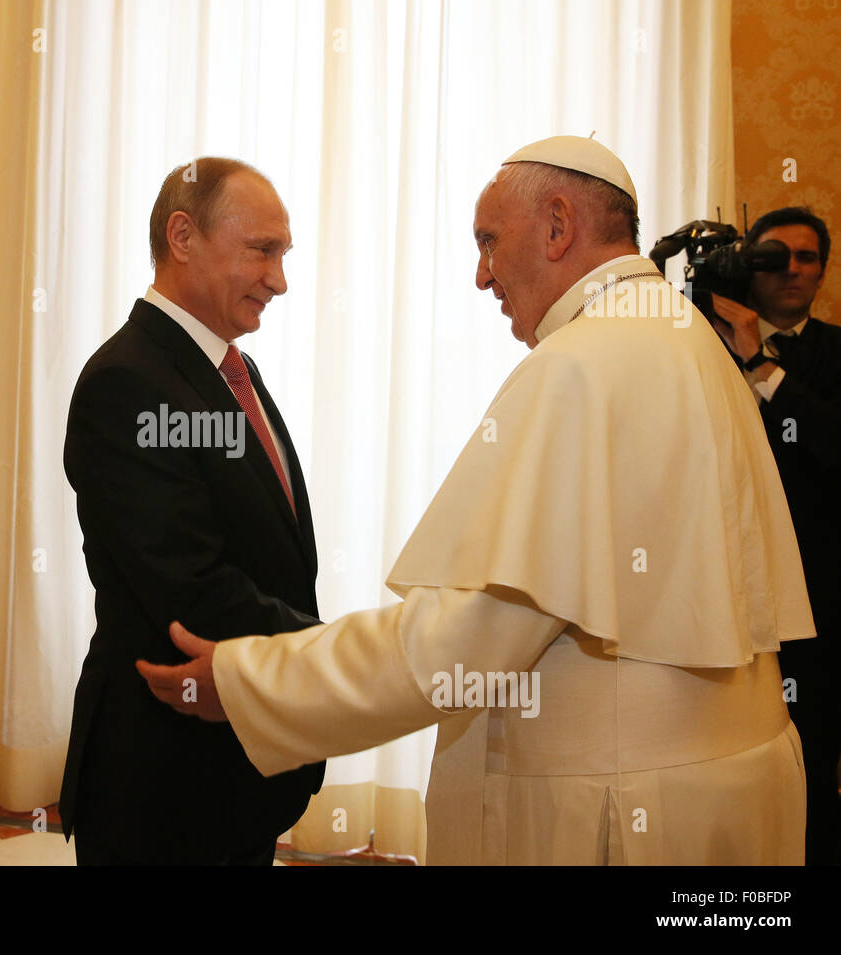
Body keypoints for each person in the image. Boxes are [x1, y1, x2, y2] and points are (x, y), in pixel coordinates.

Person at [137, 136, 815, 865]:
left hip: (619, 808)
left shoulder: (581, 365)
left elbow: (463, 637)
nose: (481, 274)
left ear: (558, 225)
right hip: (732, 788)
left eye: (489, 241)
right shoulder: (692, 337)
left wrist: (249, 683)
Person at [59, 157, 325, 864]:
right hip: (166, 780)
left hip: (230, 763)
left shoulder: (226, 368)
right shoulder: (128, 383)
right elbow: (192, 589)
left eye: (283, 254)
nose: (279, 279)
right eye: (261, 251)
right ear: (183, 236)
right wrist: (334, 657)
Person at [709, 207, 840, 865]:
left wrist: (761, 363)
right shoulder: (697, 353)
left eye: (808, 256)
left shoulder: (837, 352)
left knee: (812, 768)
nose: (792, 268)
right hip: (718, 596)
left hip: (818, 606)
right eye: (775, 256)